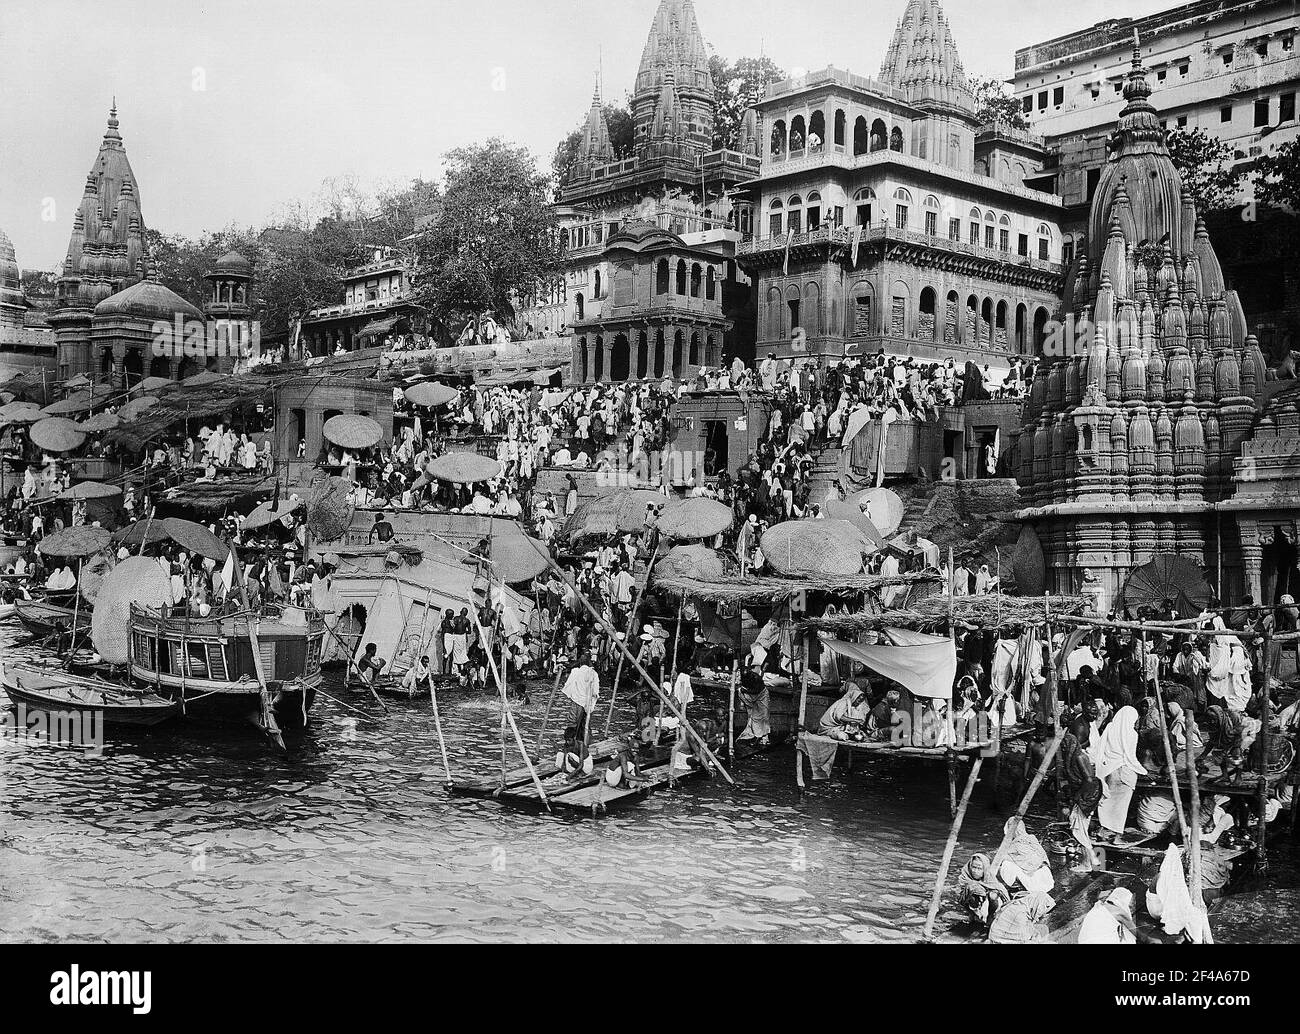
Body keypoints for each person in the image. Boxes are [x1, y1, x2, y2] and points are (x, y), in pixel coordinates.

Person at [1095, 705, 1145, 840]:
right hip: (1124, 770)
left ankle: (1103, 828)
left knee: (1107, 801)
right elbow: (1130, 756)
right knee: (1120, 805)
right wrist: (1142, 770)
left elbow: (1101, 748)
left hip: (1109, 770)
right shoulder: (1132, 734)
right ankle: (1113, 831)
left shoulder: (1110, 727)